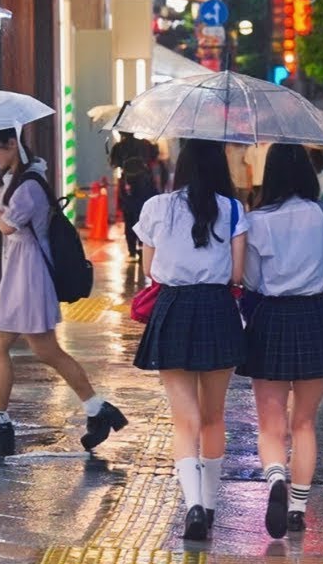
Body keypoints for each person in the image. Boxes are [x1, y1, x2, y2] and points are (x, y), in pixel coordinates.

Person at [0, 128, 127, 456]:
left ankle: (4, 424)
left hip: (28, 276)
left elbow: (7, 226)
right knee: (11, 346)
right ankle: (2, 421)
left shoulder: (29, 185)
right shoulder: (21, 179)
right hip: (21, 274)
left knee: (37, 349)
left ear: (13, 144)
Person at [132, 139, 248, 541]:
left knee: (185, 419)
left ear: (181, 167)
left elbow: (150, 268)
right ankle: (211, 507)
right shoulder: (233, 210)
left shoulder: (156, 208)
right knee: (214, 416)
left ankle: (193, 505)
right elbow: (237, 274)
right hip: (217, 309)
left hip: (173, 310)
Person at [239, 144, 323, 538]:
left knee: (270, 424)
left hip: (269, 318)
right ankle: (298, 508)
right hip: (314, 317)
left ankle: (275, 482)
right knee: (304, 422)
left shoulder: (256, 220)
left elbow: (249, 280)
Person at [110, 132, 160, 260]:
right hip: (145, 185)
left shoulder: (119, 147)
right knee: (144, 215)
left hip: (127, 186)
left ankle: (131, 250)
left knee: (129, 218)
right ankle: (142, 245)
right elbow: (154, 158)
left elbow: (113, 164)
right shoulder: (145, 144)